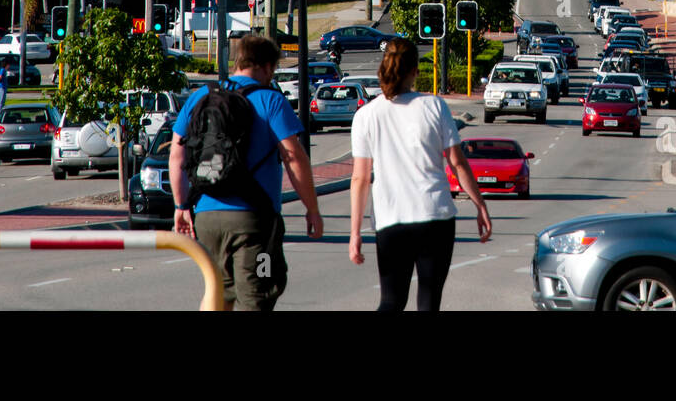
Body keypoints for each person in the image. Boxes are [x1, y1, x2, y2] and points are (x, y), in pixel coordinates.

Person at [168, 34, 323, 310]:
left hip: (206, 219)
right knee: (257, 295)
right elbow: (294, 157)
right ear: (265, 66)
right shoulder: (270, 100)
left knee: (217, 294)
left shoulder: (201, 97)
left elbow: (177, 154)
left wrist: (181, 206)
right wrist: (311, 208)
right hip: (253, 225)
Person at [348, 37, 491, 311]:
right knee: (429, 299)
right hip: (435, 216)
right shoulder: (434, 106)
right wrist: (480, 205)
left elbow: (360, 178)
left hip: (391, 219)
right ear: (415, 70)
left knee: (391, 300)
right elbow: (457, 164)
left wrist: (355, 233)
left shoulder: (366, 116)